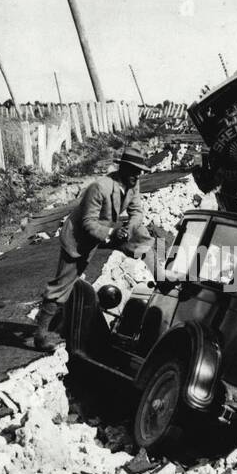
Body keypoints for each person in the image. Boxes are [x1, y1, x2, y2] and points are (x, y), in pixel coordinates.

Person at [34, 147, 150, 350]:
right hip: (78, 239)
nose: (136, 175)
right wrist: (111, 234)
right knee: (62, 283)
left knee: (146, 237)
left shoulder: (133, 184)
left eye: (139, 171)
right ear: (122, 168)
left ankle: (59, 328)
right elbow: (88, 223)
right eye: (133, 170)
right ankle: (41, 335)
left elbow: (137, 212)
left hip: (100, 235)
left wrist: (127, 230)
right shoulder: (100, 187)